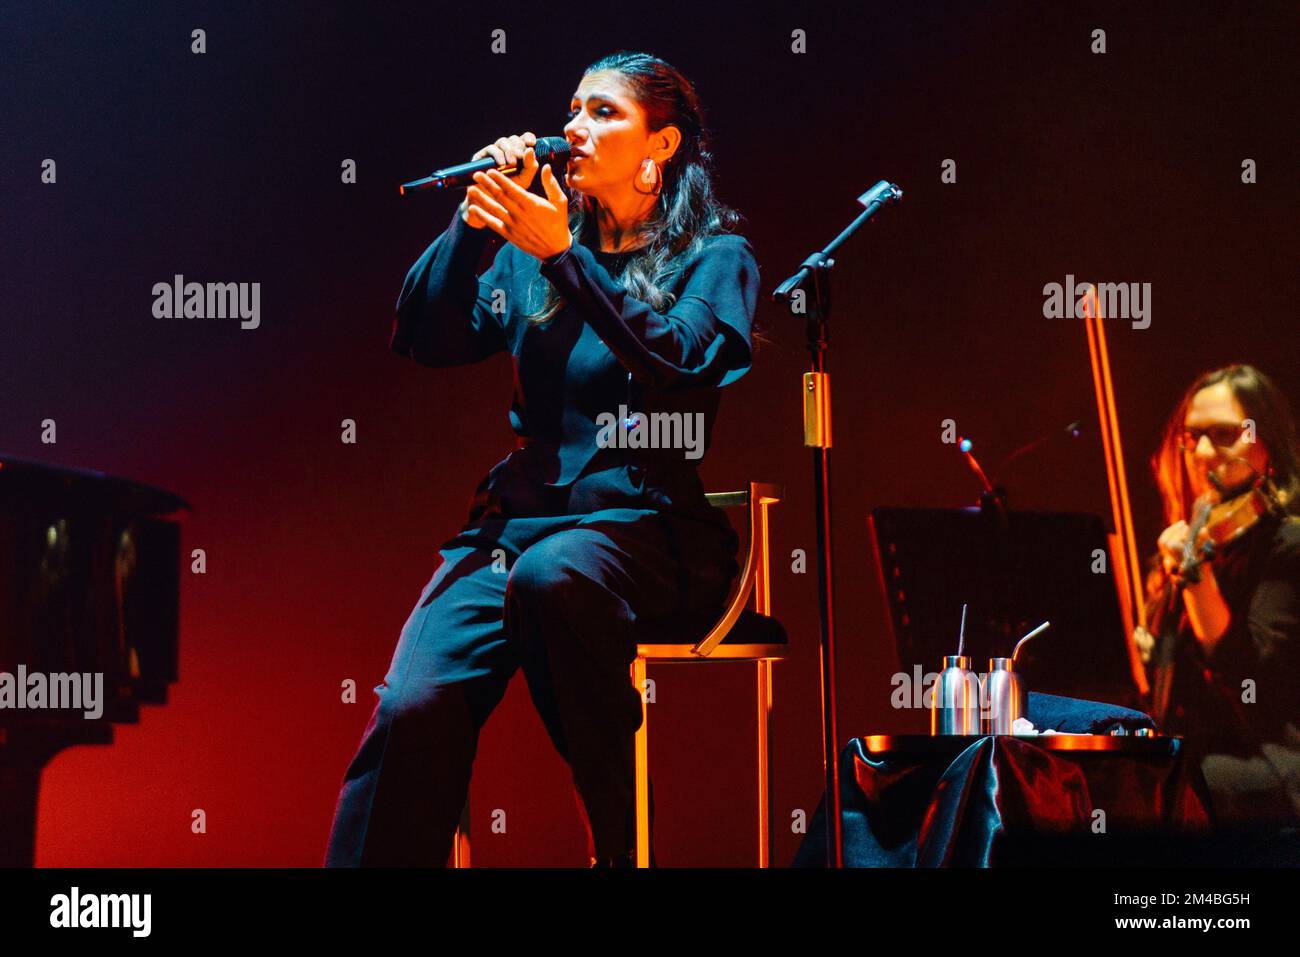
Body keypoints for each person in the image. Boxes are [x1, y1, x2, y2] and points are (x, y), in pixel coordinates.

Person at [324, 51, 761, 867]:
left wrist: (566, 254)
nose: (574, 128)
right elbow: (422, 335)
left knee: (554, 576)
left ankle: (623, 851)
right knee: (415, 703)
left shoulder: (715, 258)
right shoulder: (534, 252)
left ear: (659, 146)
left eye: (603, 113)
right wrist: (474, 223)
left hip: (646, 525)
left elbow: (675, 361)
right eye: (572, 109)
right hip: (521, 525)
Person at [1135, 364, 1300, 836]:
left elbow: (1247, 678)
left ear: (1265, 441)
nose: (1205, 453)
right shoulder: (1193, 545)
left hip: (1274, 764)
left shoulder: (1287, 547)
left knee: (1162, 789)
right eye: (1193, 438)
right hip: (1206, 758)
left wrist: (1195, 576)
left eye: (1224, 435)